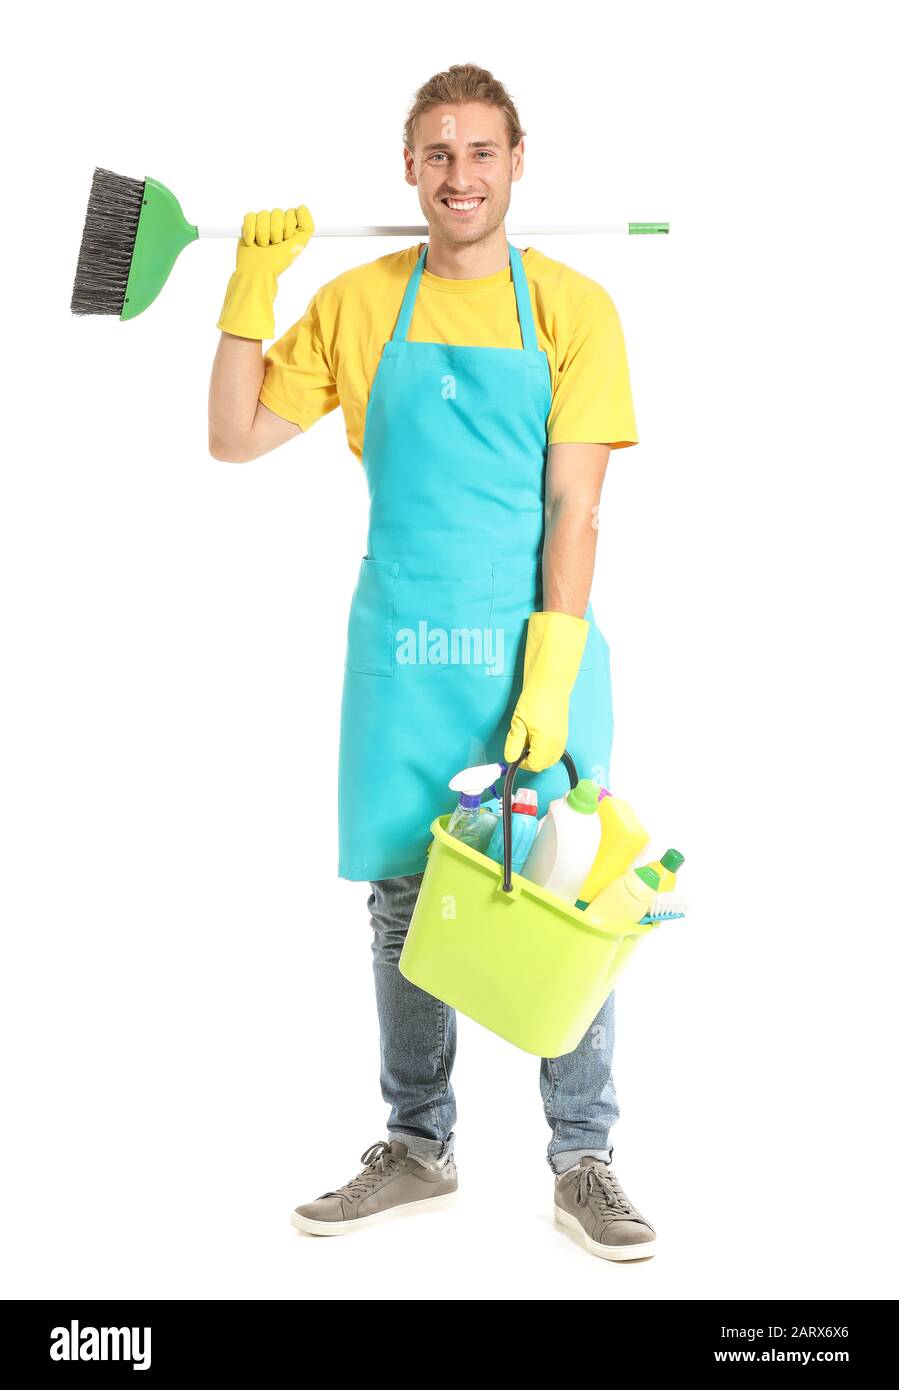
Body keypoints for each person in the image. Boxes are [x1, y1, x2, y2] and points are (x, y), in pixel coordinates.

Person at [208, 63, 656, 1261]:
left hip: (529, 638)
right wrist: (248, 292)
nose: (461, 176)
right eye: (439, 153)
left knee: (564, 886)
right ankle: (416, 1146)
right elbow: (233, 435)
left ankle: (583, 1158)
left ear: (516, 164)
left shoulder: (571, 307)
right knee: (405, 893)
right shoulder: (357, 304)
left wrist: (549, 664)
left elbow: (573, 506)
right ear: (408, 168)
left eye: (481, 152)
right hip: (403, 647)